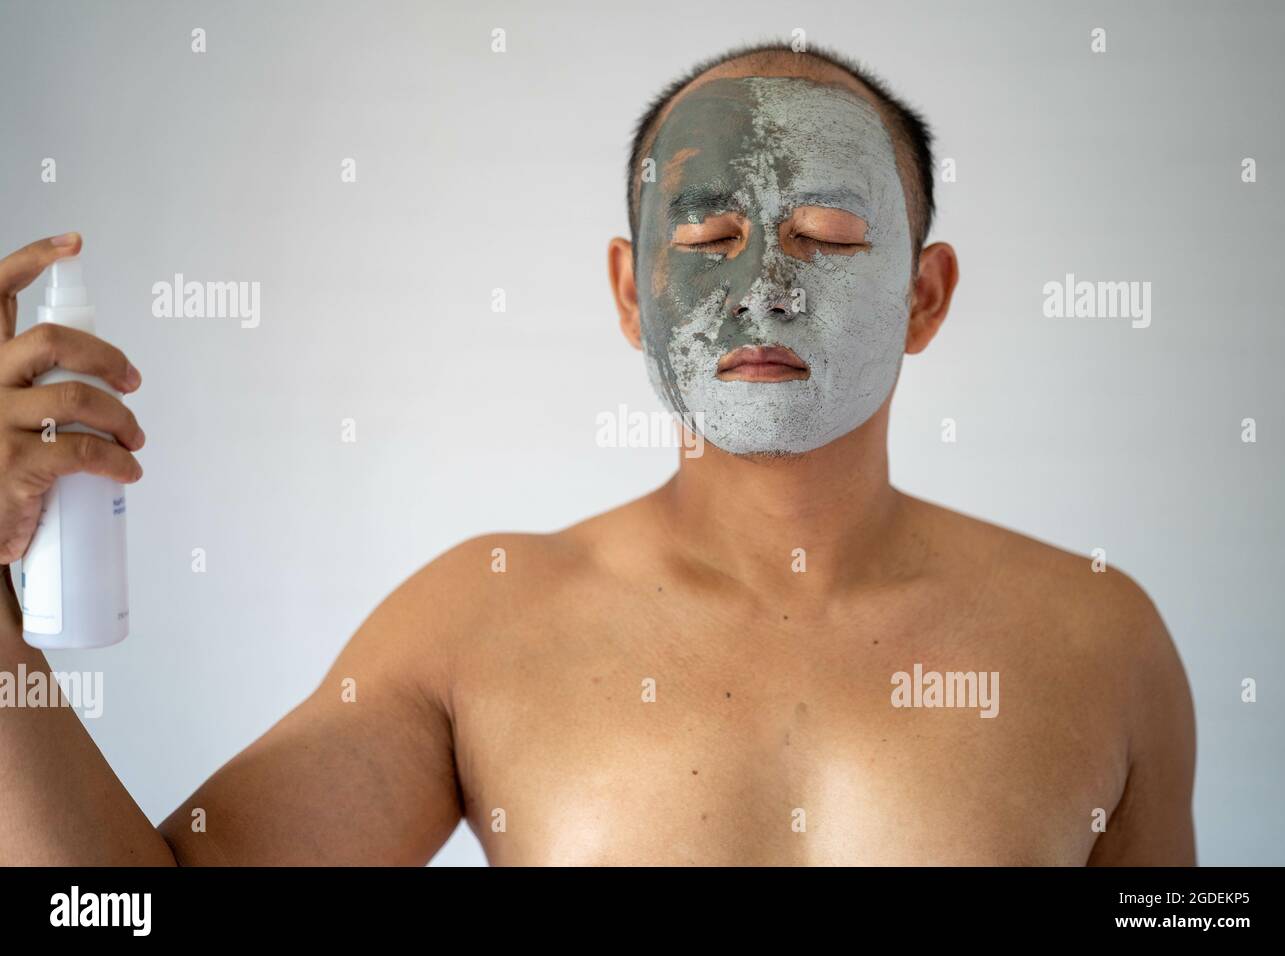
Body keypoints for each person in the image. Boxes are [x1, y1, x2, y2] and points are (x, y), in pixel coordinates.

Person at [0, 43, 1195, 866]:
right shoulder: (483, 619)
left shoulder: (1097, 636)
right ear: (632, 288)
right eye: (709, 234)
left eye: (826, 236)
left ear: (924, 296)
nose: (761, 289)